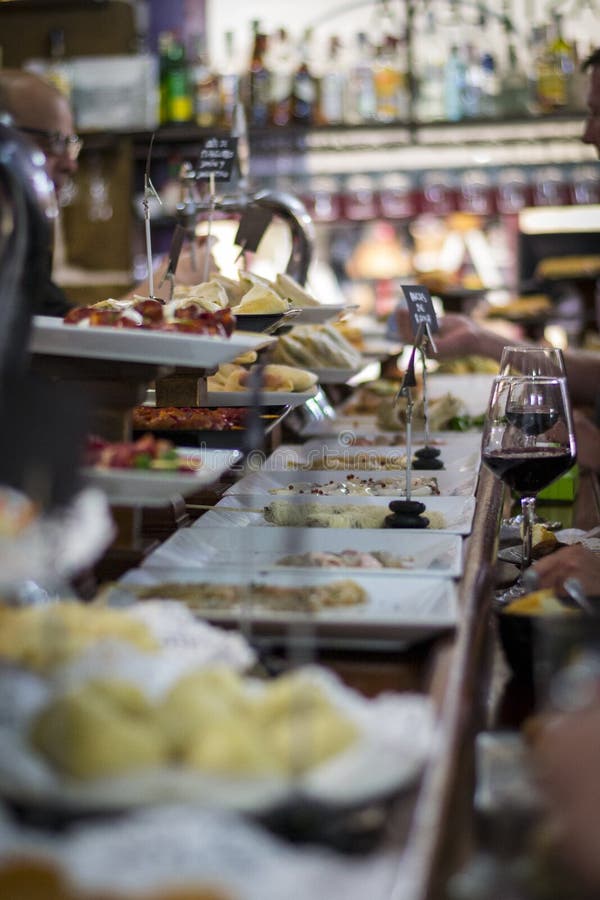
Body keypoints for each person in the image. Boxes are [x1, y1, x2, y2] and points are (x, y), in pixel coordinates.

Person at [0, 68, 214, 315]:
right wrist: (168, 282)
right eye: (54, 141)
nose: (71, 164)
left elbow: (62, 322)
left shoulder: (18, 236)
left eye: (70, 145)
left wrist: (167, 280)